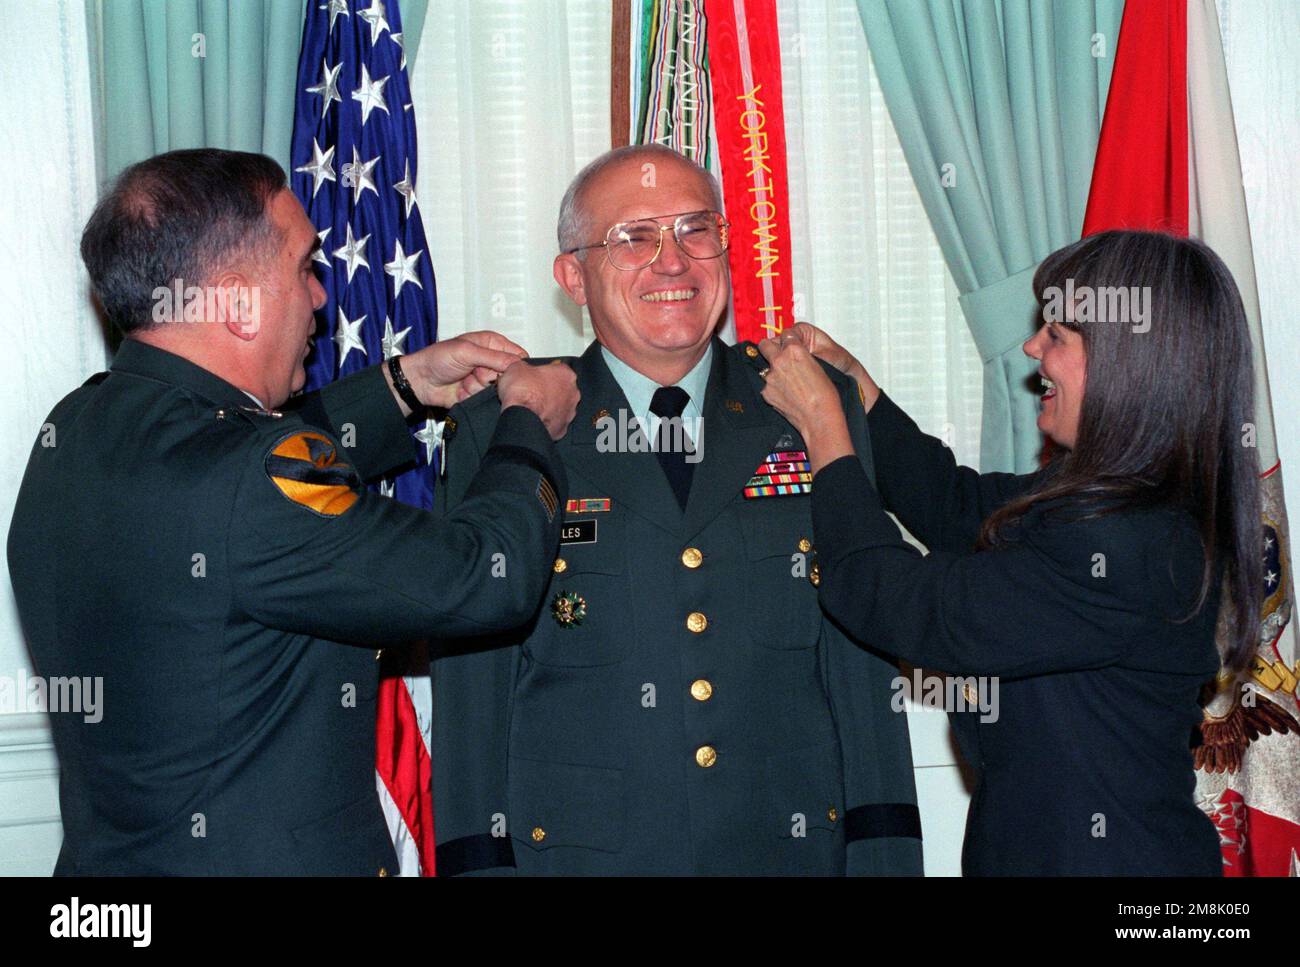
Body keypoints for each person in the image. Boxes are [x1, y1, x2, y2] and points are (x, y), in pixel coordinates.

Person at [6, 148, 579, 875]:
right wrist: (526, 423)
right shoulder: (251, 478)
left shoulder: (78, 426)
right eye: (305, 266)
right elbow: (480, 577)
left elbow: (227, 457)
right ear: (239, 303)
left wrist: (402, 385)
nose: (318, 297)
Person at [430, 144, 922, 876]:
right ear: (572, 275)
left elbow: (861, 659)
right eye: (634, 237)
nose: (673, 262)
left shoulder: (810, 405)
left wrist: (884, 859)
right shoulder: (505, 425)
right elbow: (473, 684)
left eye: (697, 230)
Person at [758, 230, 1261, 876]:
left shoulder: (1130, 538)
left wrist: (825, 429)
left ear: (1125, 363)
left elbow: (906, 602)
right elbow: (960, 507)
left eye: (1057, 335)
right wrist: (861, 394)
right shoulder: (1122, 497)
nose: (1032, 347)